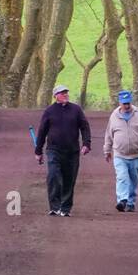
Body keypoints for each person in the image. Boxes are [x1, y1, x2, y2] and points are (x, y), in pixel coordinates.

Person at [34, 84, 91, 216]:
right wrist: (38, 151)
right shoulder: (49, 111)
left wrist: (86, 144)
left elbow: (84, 127)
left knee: (69, 180)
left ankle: (65, 208)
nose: (65, 94)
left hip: (72, 151)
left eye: (66, 92)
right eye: (62, 93)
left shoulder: (76, 110)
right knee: (53, 176)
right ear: (56, 96)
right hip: (54, 150)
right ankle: (54, 206)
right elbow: (42, 131)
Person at [103, 90, 138, 212]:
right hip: (119, 154)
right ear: (120, 103)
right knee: (122, 177)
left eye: (128, 103)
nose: (127, 106)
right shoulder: (114, 116)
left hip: (136, 155)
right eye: (124, 103)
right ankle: (122, 200)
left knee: (134, 180)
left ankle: (131, 202)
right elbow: (108, 134)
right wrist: (107, 150)